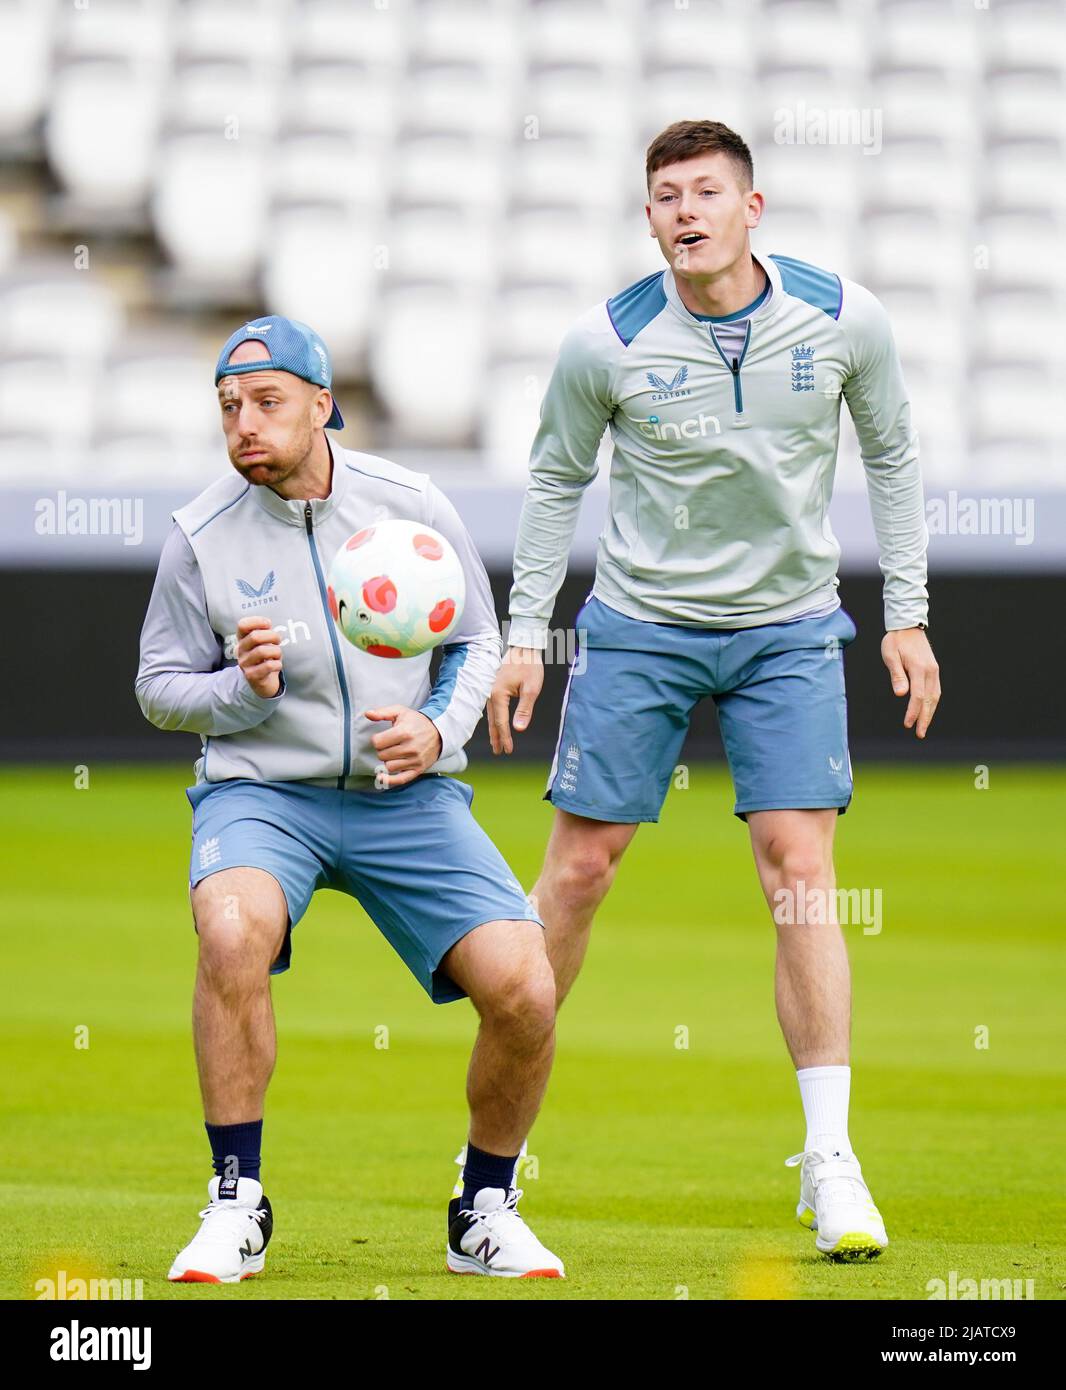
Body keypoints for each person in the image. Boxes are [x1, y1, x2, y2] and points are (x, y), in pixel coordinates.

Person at [487, 121, 942, 1261]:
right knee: (578, 869)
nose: (683, 212)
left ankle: (830, 1162)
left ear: (753, 207)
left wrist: (907, 615)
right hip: (638, 627)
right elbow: (552, 481)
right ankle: (490, 1176)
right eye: (663, 197)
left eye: (704, 192)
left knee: (800, 869)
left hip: (786, 629)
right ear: (646, 219)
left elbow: (891, 456)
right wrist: (522, 635)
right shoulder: (606, 340)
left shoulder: (844, 318)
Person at [136, 315, 563, 1281]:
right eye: (229, 407)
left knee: (527, 987)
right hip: (261, 794)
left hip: (403, 796)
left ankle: (484, 1206)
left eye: (267, 403)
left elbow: (476, 642)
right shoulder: (199, 535)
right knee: (231, 930)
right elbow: (158, 685)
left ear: (323, 407)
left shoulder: (410, 504)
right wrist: (240, 693)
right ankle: (236, 1200)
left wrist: (439, 732)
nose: (244, 424)